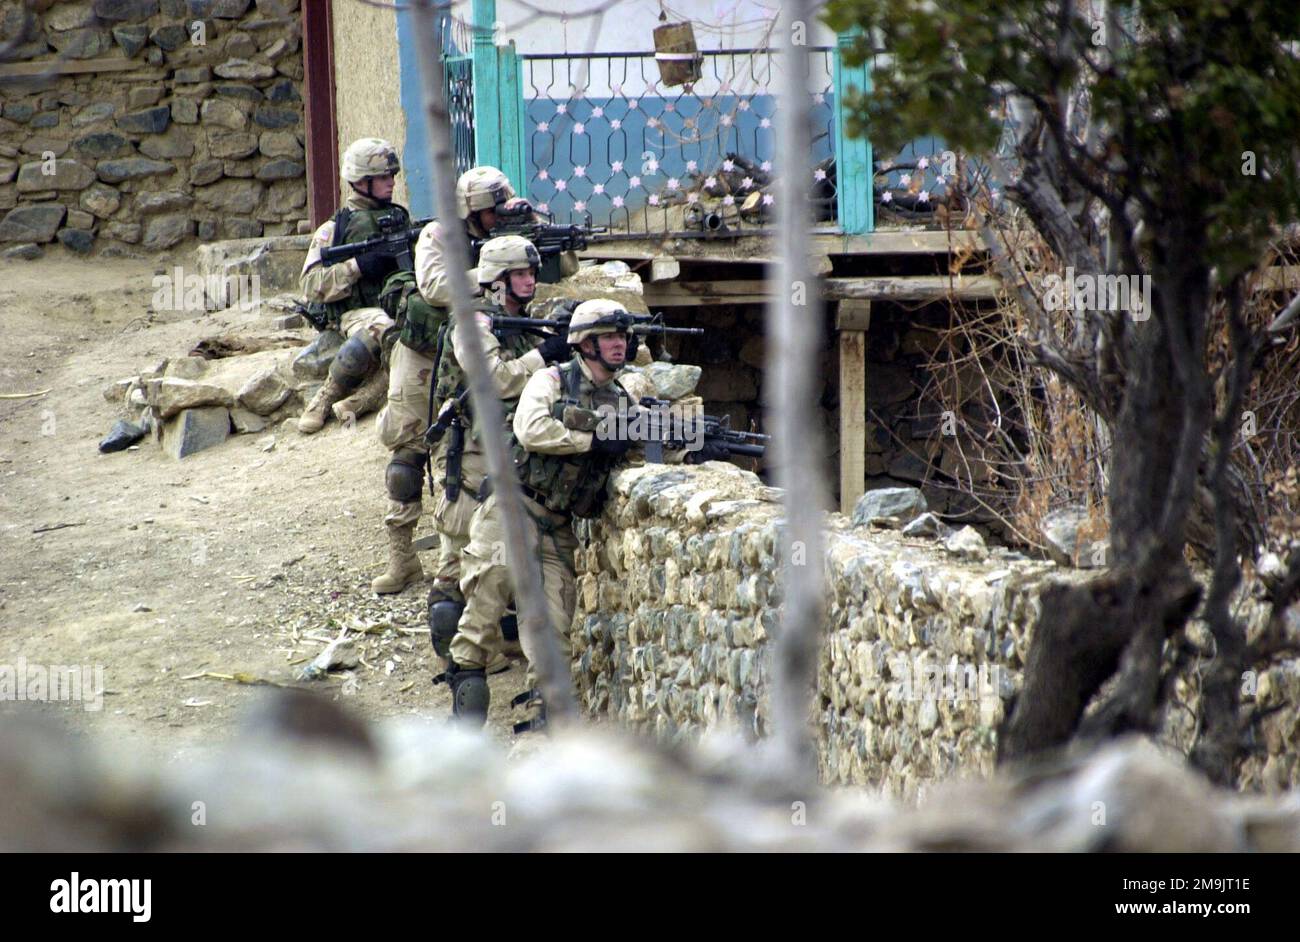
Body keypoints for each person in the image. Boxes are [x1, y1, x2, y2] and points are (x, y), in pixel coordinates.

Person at [443, 300, 668, 728]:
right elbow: (532, 430)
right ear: (584, 344)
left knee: (554, 637)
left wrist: (685, 443)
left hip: (558, 527)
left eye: (622, 336)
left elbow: (638, 446)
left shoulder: (621, 400)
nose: (618, 345)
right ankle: (464, 731)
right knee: (482, 615)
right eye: (607, 337)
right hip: (511, 509)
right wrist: (593, 442)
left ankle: (538, 740)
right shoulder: (550, 380)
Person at [369, 167, 535, 595]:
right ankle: (402, 557)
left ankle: (463, 569)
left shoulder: (513, 231)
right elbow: (436, 286)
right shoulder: (440, 236)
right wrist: (493, 274)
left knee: (470, 458)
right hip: (426, 352)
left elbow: (558, 266)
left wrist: (530, 231)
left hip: (488, 347)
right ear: (473, 212)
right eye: (493, 212)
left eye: (504, 209)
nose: (500, 217)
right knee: (409, 451)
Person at [424, 235, 571, 659]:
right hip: (469, 451)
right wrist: (545, 355)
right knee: (458, 559)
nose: (530, 282)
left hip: (507, 448)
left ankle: (501, 638)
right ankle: (460, 660)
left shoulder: (521, 322)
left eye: (531, 273)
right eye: (519, 275)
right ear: (497, 281)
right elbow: (496, 379)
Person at [297, 137, 406, 435]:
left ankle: (360, 401)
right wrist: (357, 266)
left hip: (399, 301)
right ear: (361, 181)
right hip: (355, 312)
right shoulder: (334, 229)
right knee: (383, 328)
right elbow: (310, 284)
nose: (391, 183)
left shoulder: (398, 218)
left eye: (392, 176)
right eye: (383, 177)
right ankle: (325, 397)